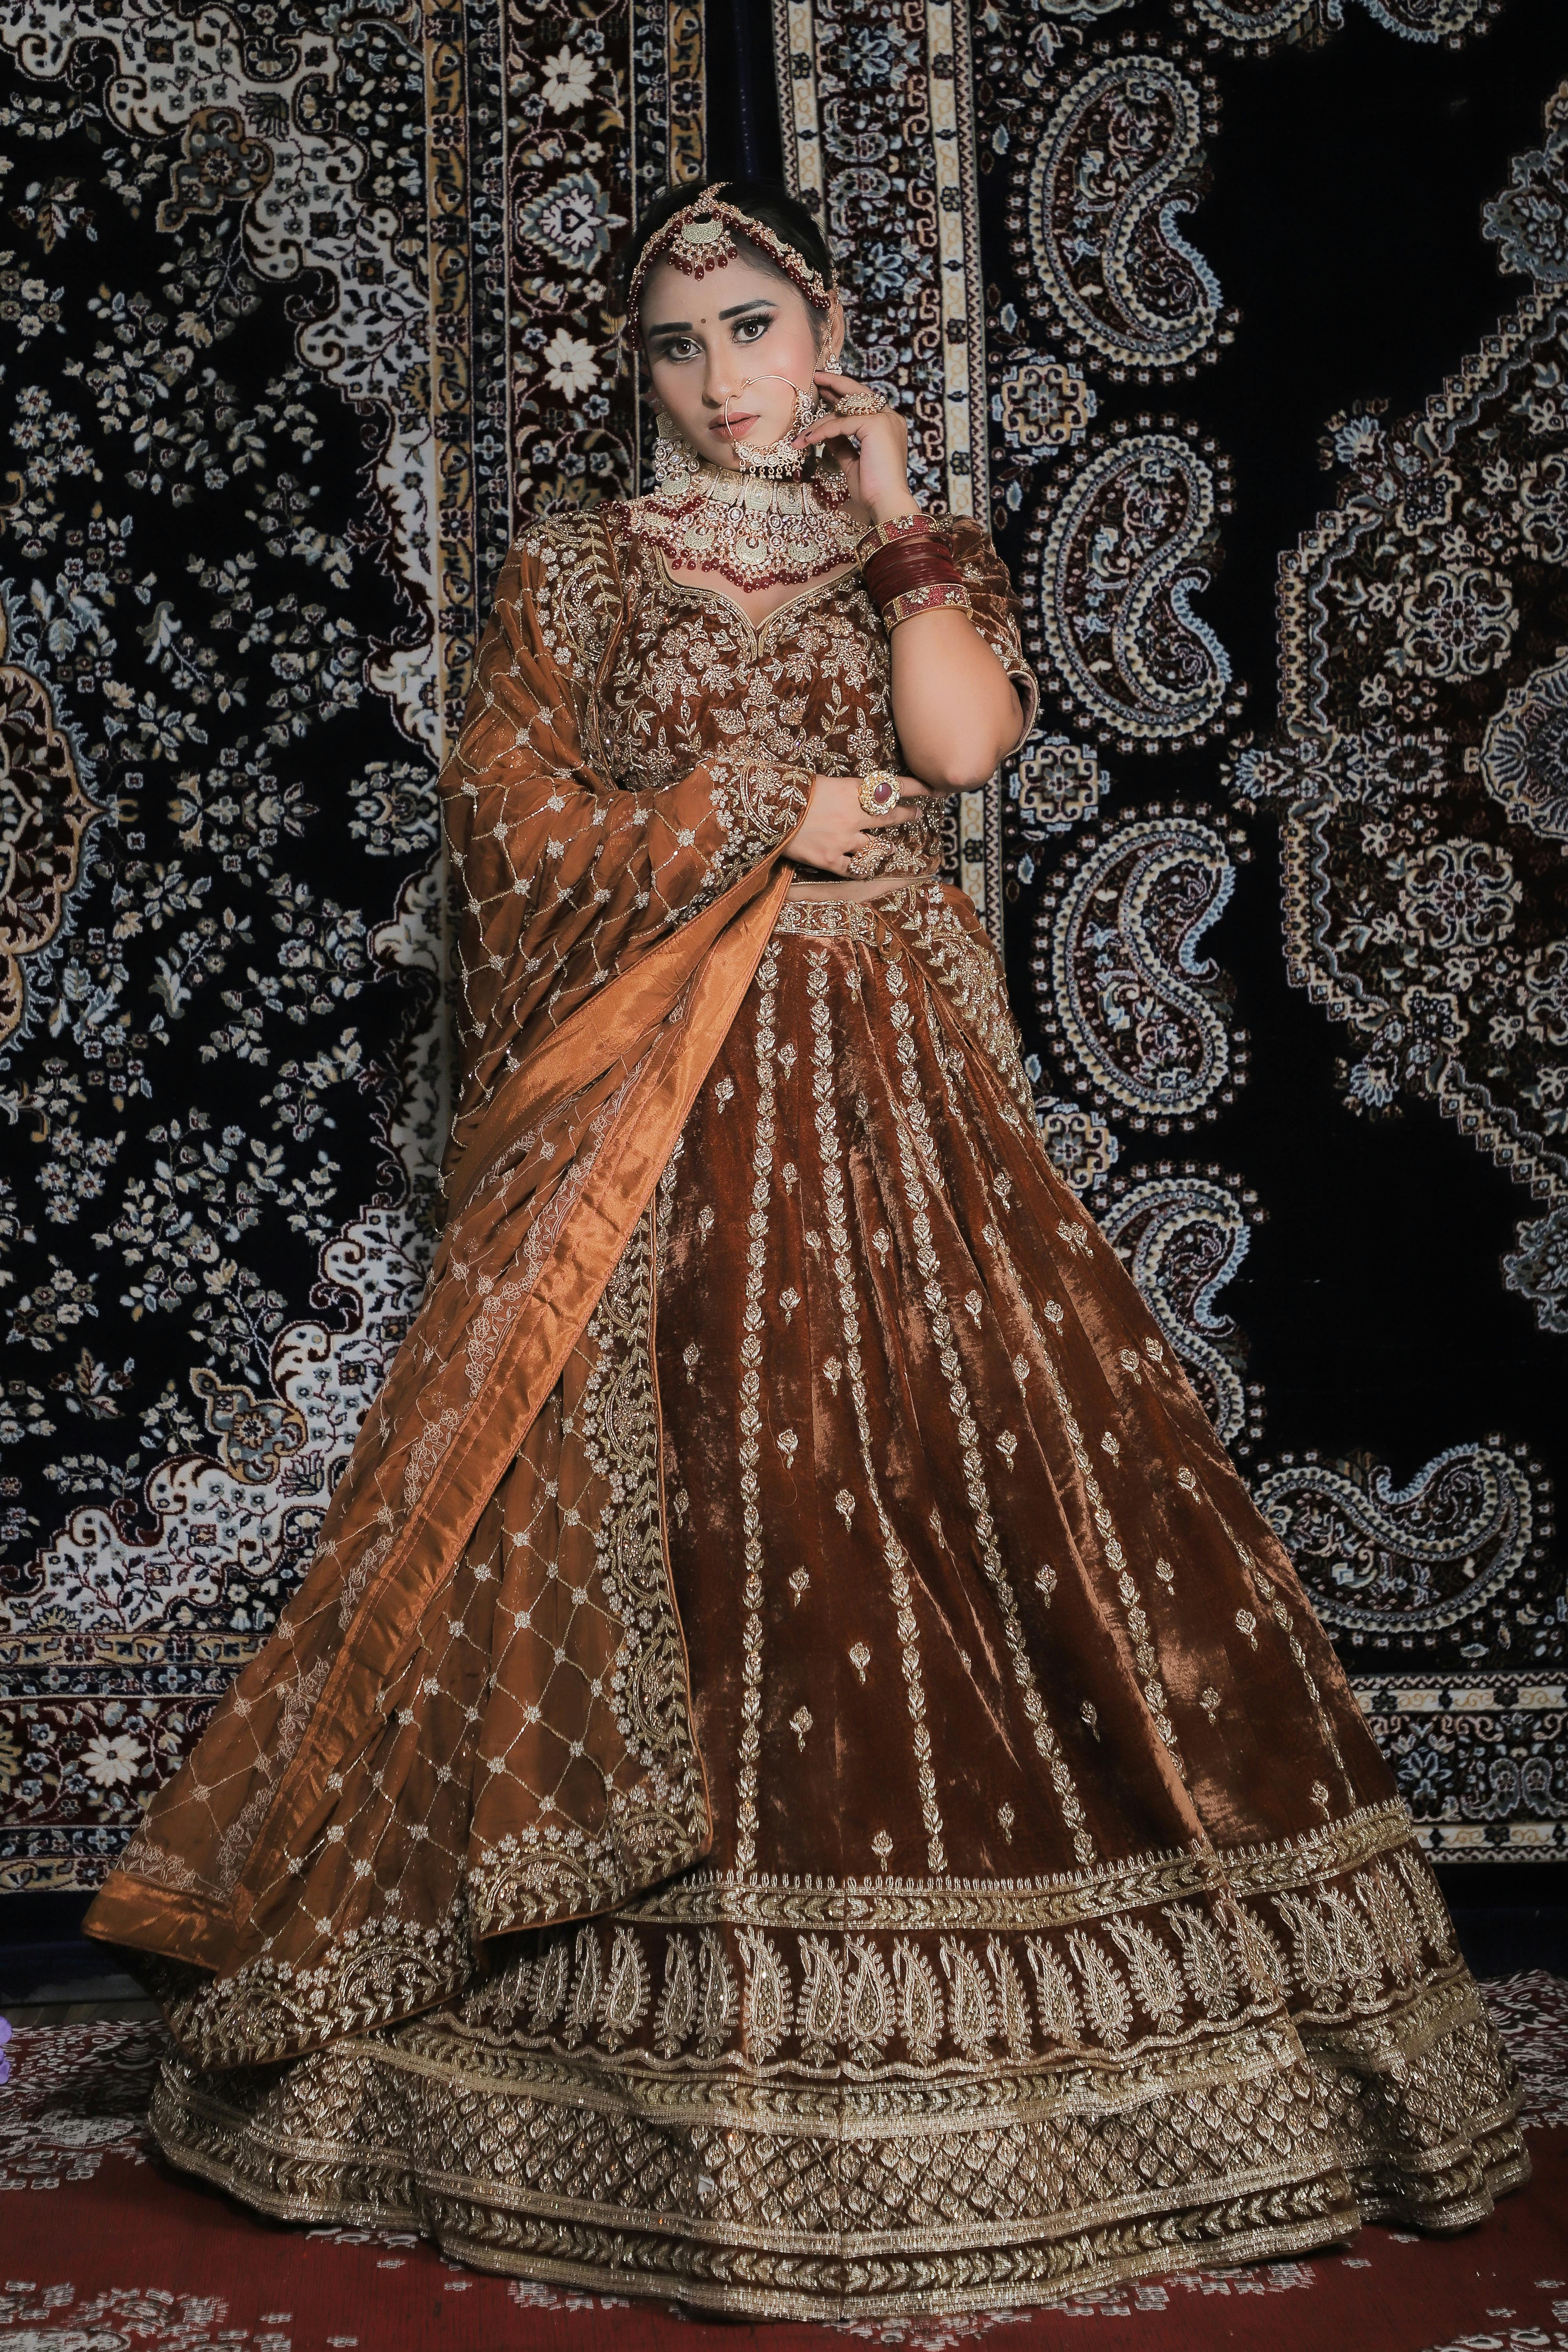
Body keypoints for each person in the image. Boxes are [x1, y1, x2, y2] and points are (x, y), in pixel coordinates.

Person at [83, 178, 1524, 2320]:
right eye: (677, 346)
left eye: (752, 328)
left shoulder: (894, 544)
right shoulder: (577, 566)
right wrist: (757, 819)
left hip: (897, 1070)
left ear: (826, 329)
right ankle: (619, 2058)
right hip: (668, 1090)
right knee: (722, 1495)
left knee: (968, 1480)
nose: (718, 379)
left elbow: (959, 744)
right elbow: (505, 825)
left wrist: (905, 510)